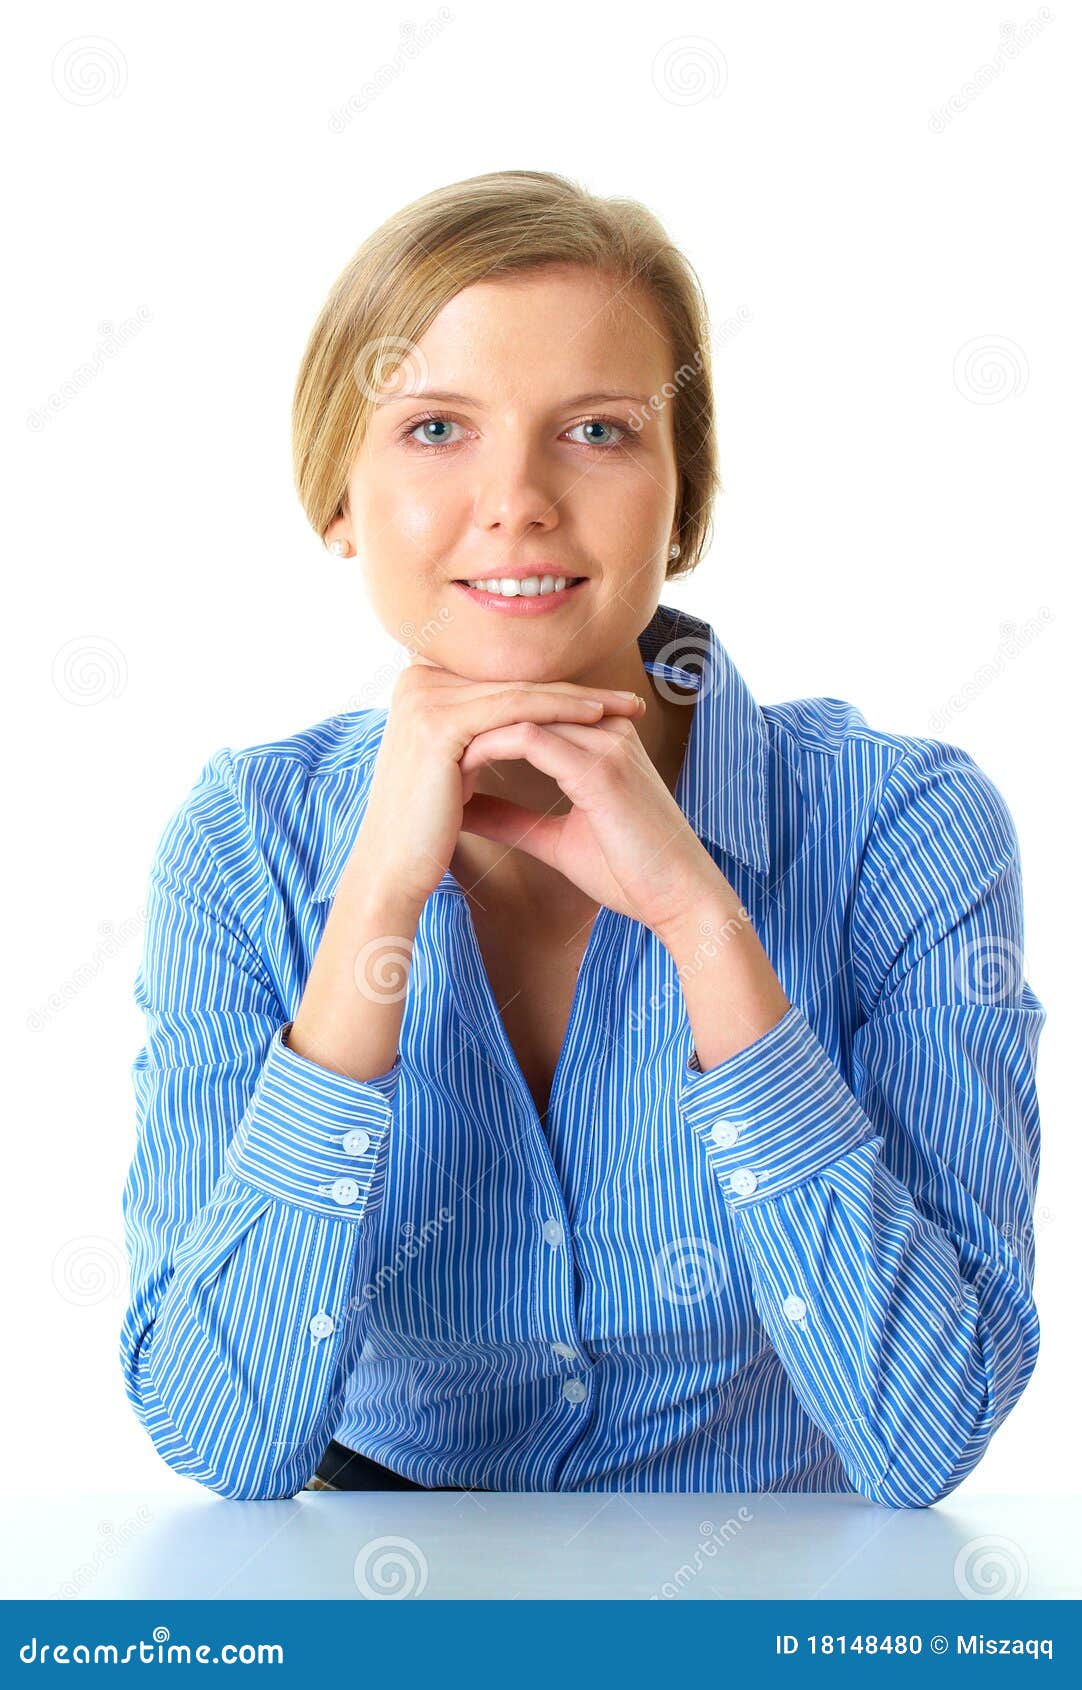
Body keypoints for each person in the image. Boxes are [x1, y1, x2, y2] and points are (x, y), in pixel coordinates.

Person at [119, 170, 1045, 1506]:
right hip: (389, 1600)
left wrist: (701, 923)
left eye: (597, 430)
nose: (518, 500)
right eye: (434, 427)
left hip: (759, 1609)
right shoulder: (244, 841)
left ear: (685, 501)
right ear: (338, 499)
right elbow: (223, 1444)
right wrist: (374, 905)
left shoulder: (901, 824)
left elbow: (921, 1436)